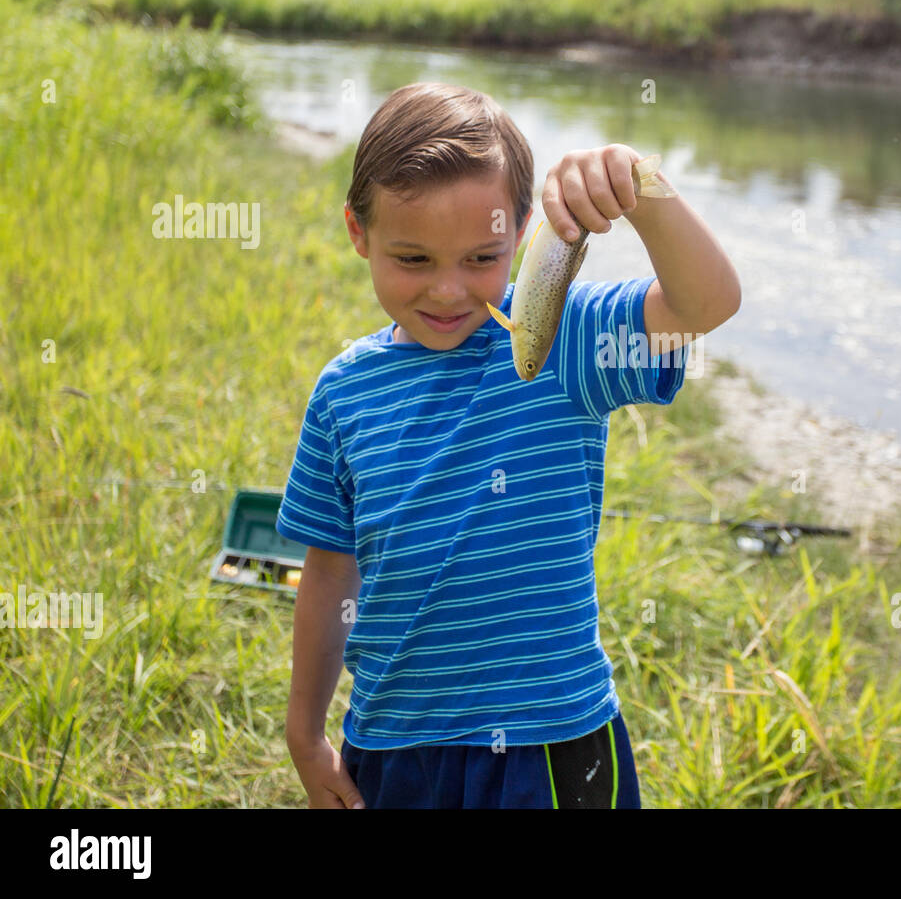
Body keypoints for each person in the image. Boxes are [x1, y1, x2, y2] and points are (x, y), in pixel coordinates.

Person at [277, 81, 741, 808]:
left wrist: (639, 185)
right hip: (396, 746)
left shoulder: (560, 340)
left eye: (482, 256)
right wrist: (305, 736)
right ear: (357, 232)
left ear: (524, 230)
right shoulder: (344, 393)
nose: (450, 290)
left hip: (553, 747)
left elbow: (705, 303)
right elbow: (329, 575)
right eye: (414, 258)